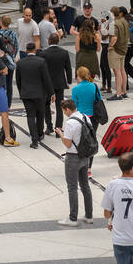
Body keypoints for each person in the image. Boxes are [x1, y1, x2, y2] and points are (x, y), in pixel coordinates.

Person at [54, 95, 95, 226]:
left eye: (63, 111)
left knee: (72, 187)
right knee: (85, 186)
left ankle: (73, 218)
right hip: (85, 155)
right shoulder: (85, 117)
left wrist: (61, 133)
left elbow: (67, 143)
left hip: (73, 157)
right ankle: (89, 216)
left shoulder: (70, 123)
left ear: (67, 109)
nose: (64, 113)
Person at [14, 44, 53, 149]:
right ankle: (40, 134)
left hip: (26, 93)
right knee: (40, 114)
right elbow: (46, 79)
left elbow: (18, 80)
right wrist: (51, 93)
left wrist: (21, 91)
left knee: (30, 116)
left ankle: (34, 140)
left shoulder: (20, 63)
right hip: (40, 93)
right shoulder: (41, 62)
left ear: (26, 51)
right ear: (35, 50)